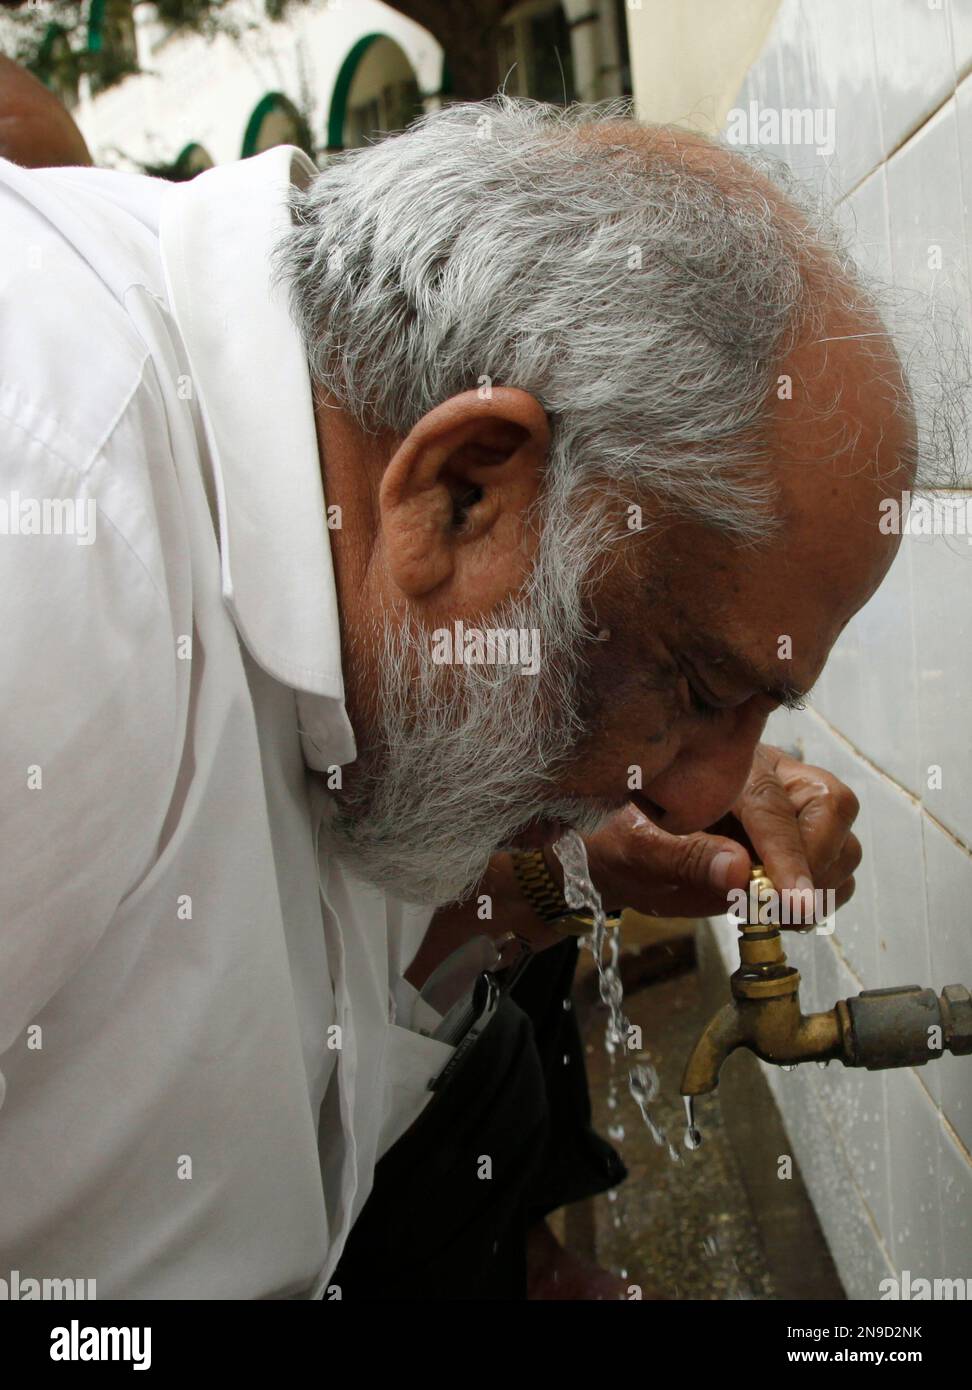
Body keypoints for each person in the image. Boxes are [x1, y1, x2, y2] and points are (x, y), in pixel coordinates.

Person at [0, 95, 932, 1299]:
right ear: (462, 491)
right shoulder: (59, 524)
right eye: (699, 682)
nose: (709, 785)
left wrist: (572, 873)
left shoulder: (360, 621)